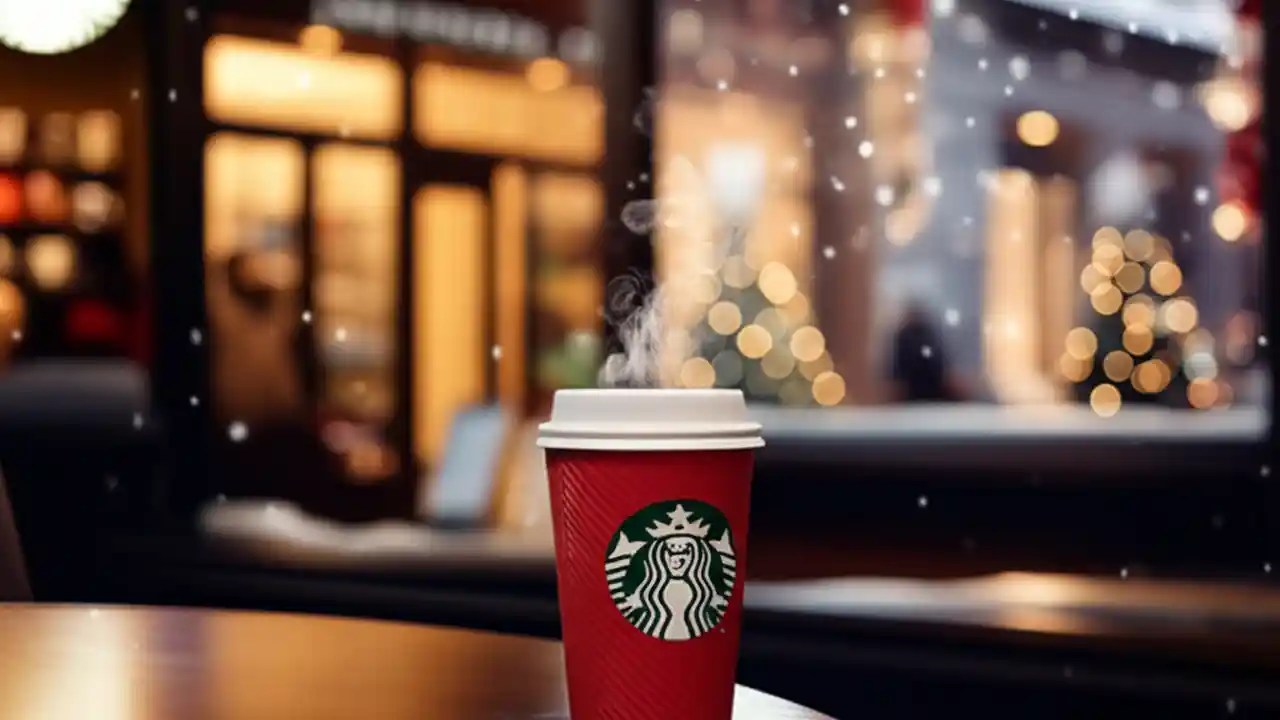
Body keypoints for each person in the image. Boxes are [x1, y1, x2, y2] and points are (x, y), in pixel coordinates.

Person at [889, 302, 960, 402]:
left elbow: (932, 354)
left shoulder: (925, 334)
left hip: (927, 383)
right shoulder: (906, 336)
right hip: (915, 385)